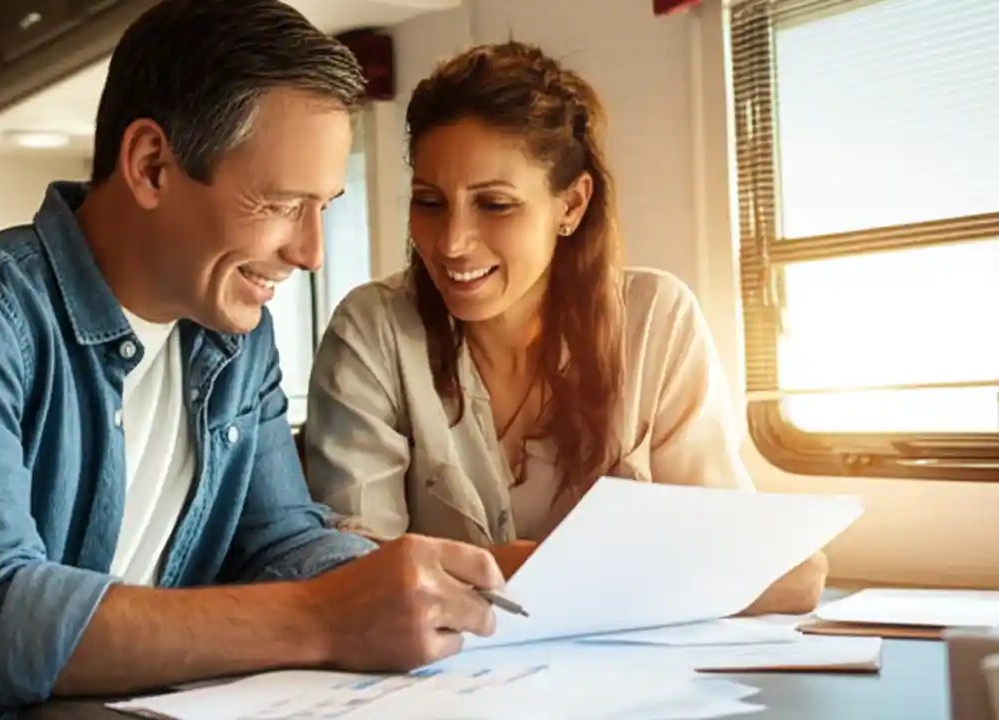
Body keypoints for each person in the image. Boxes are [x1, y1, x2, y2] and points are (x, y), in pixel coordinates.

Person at [0, 3, 506, 717]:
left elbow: (283, 541)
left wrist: (424, 583)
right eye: (281, 204)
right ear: (151, 165)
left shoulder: (237, 341)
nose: (309, 252)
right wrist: (324, 616)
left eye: (324, 207)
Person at [303, 41, 826, 614]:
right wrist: (622, 569)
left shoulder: (657, 320)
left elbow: (780, 572)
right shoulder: (371, 331)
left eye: (495, 205)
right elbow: (358, 575)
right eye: (429, 202)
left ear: (572, 205)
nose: (451, 242)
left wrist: (497, 572)